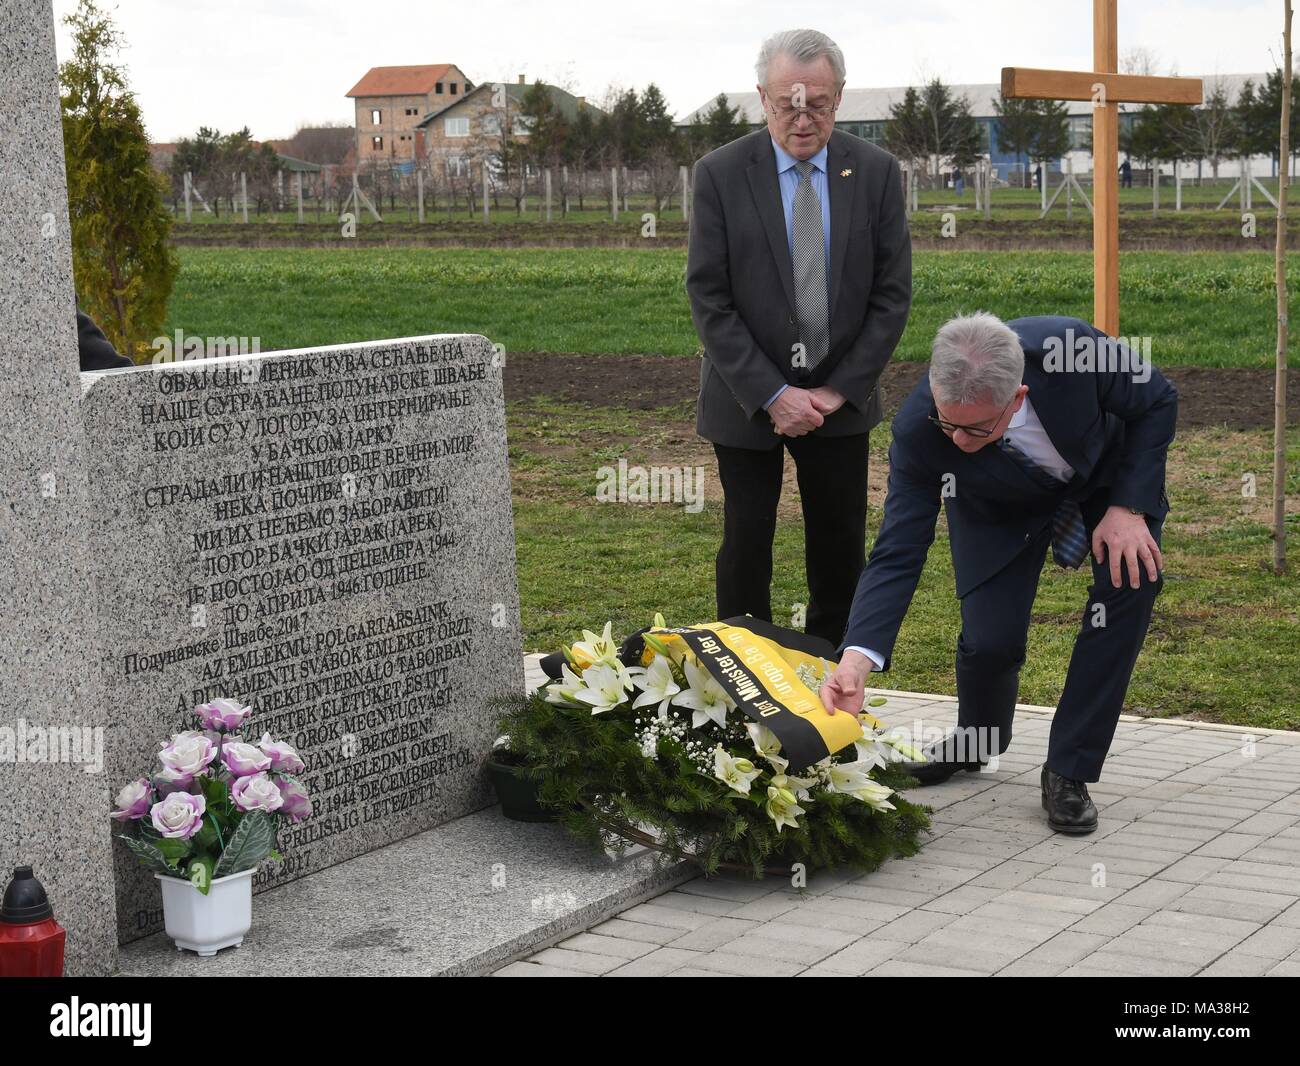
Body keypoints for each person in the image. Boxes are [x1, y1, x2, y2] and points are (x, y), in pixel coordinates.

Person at [820, 312, 1176, 835]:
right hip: (994, 503)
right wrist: (856, 659)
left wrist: (1130, 506)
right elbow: (898, 549)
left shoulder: (1071, 350)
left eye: (976, 426)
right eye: (950, 422)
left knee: (1129, 584)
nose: (958, 439)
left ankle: (1068, 770)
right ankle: (978, 742)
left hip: (1106, 481)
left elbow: (1157, 400)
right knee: (989, 640)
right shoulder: (921, 430)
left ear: (1018, 396)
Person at [686, 27, 912, 645]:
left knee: (840, 550)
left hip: (839, 402)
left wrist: (838, 391)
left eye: (818, 103)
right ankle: (743, 686)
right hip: (745, 400)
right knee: (746, 544)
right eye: (789, 103)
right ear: (763, 97)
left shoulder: (877, 173)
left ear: (840, 98)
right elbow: (709, 296)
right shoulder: (720, 174)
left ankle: (832, 696)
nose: (803, 118)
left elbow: (891, 296)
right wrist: (772, 393)